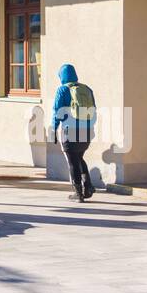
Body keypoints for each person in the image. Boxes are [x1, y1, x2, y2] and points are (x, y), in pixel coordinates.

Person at [51, 63, 96, 202]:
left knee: (72, 162)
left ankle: (78, 193)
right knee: (79, 158)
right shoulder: (87, 89)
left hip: (70, 131)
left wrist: (53, 129)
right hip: (86, 132)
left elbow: (57, 112)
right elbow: (94, 110)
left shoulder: (62, 90)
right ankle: (88, 187)